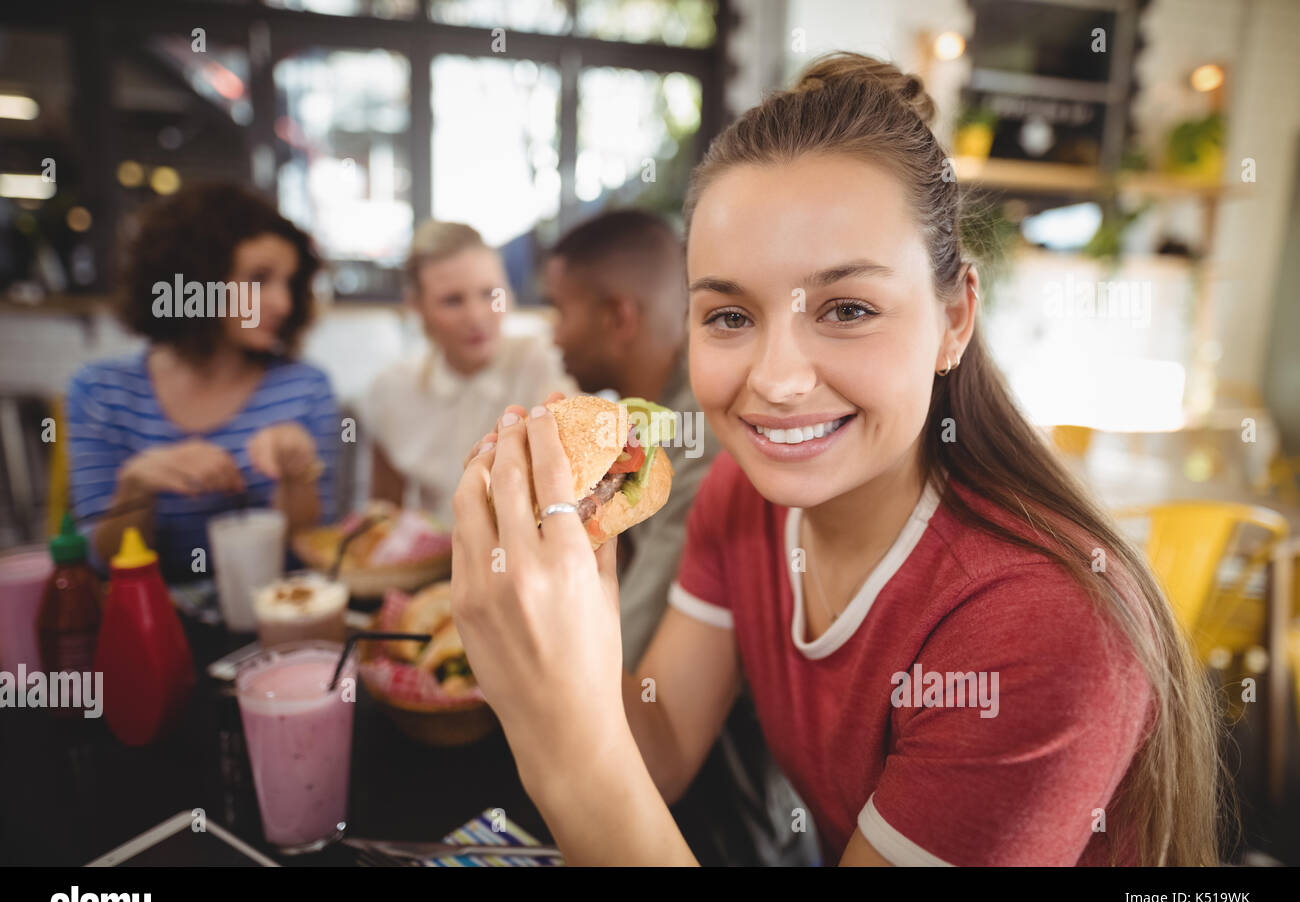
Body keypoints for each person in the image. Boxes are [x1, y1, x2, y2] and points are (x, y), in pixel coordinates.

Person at [449, 53, 1225, 866]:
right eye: (728, 315)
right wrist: (559, 630)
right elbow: (657, 749)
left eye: (847, 308)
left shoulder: (1046, 631)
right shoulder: (739, 502)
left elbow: (597, 773)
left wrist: (566, 740)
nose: (777, 380)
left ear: (954, 317)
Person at [543, 209, 819, 865]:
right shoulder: (642, 434)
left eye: (558, 310)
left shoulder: (700, 446)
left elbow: (626, 670)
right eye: (726, 318)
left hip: (745, 820)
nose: (552, 336)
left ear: (620, 316)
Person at [66, 182, 339, 581]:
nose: (283, 303)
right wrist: (136, 486)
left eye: (289, 283)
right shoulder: (101, 392)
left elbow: (310, 548)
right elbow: (104, 560)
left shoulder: (305, 388)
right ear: (194, 281)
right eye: (259, 279)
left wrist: (297, 476)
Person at [362, 221, 574, 527]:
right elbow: (384, 518)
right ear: (417, 307)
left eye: (489, 294)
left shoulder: (550, 363)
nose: (476, 317)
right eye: (452, 300)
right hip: (435, 567)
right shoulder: (391, 391)